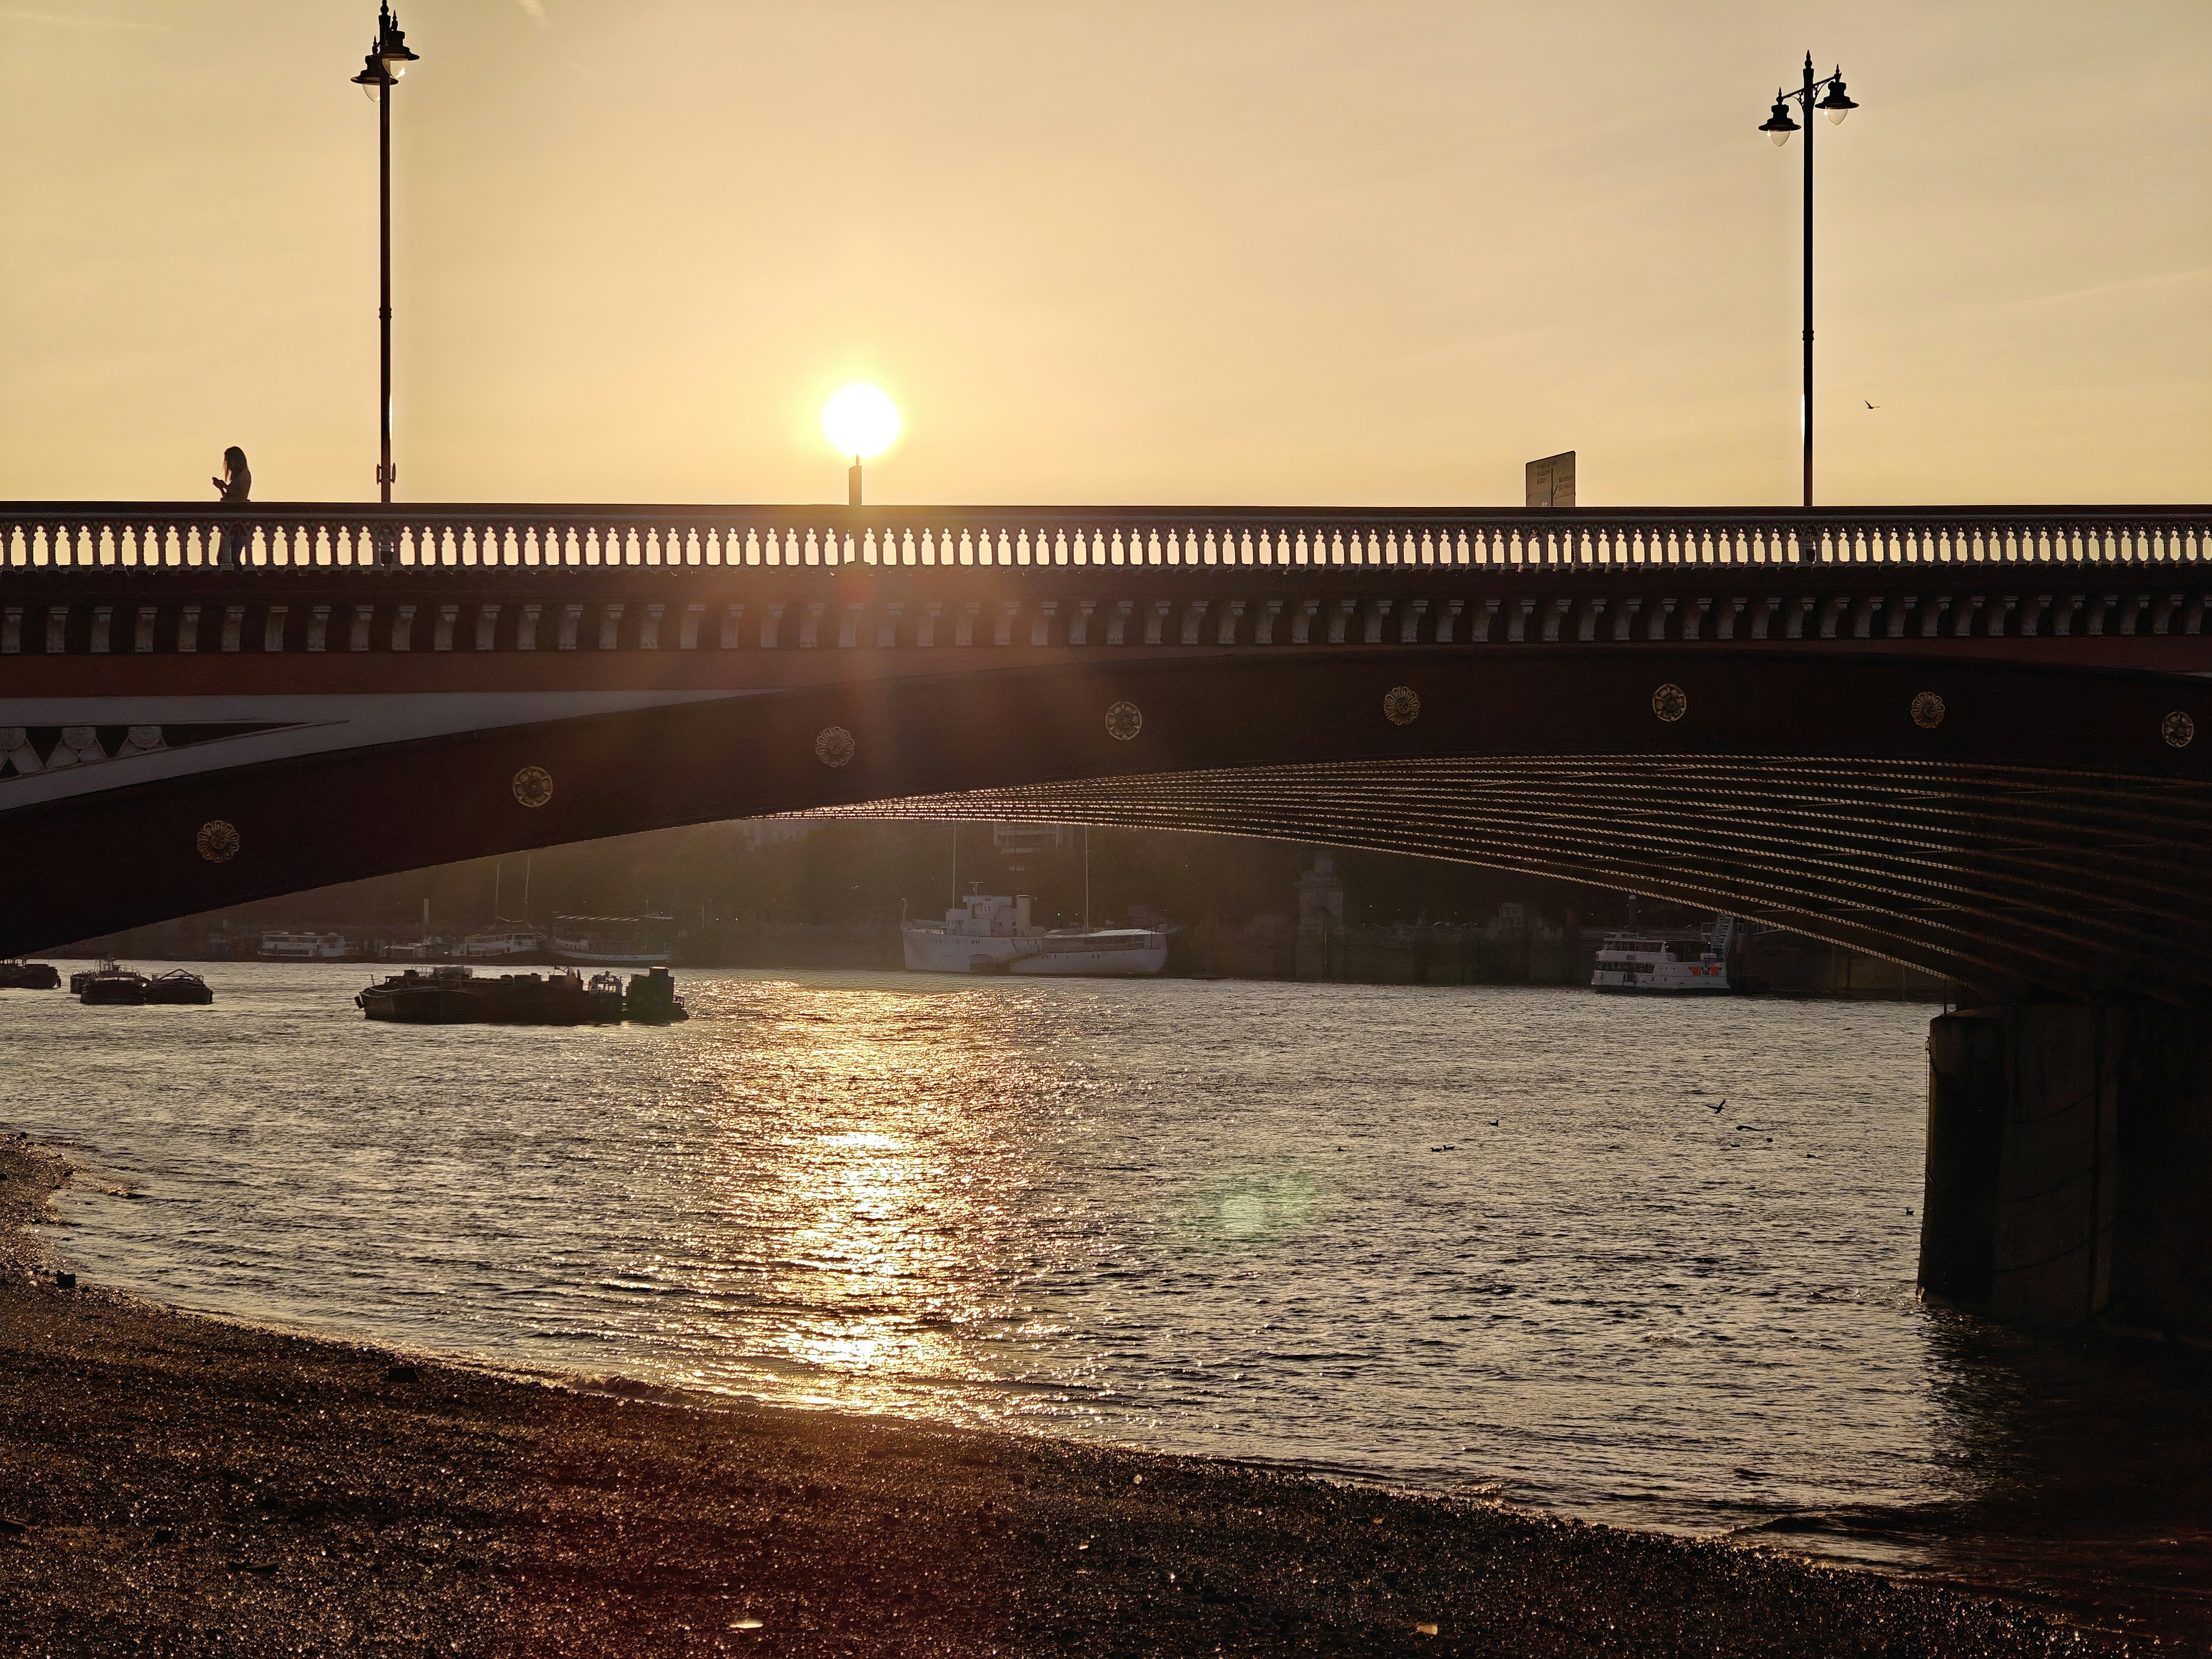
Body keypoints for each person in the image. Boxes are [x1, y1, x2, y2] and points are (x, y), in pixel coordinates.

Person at [212, 445, 251, 569]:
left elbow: (240, 498)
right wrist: (222, 489)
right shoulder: (239, 476)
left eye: (229, 460)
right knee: (226, 557)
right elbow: (231, 497)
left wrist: (225, 487)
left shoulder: (244, 475)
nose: (228, 464)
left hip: (238, 523)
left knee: (231, 557)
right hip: (232, 522)